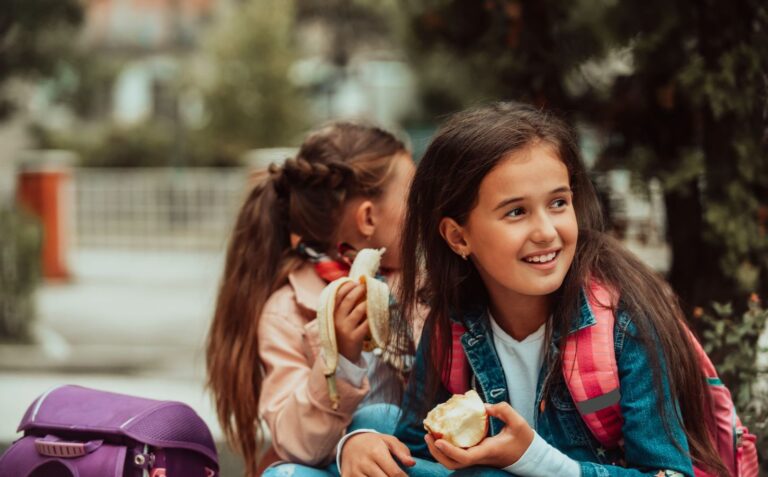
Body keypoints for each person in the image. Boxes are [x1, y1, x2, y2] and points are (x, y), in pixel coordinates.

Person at [339, 103, 730, 477]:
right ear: (458, 237)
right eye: (516, 212)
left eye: (558, 203)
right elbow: (416, 452)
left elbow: (669, 473)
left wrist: (534, 459)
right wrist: (359, 444)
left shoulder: (625, 324)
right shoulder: (451, 329)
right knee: (347, 440)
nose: (546, 232)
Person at [206, 122, 417, 476]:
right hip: (334, 464)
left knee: (380, 417)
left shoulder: (422, 284)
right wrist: (342, 359)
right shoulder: (286, 311)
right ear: (368, 217)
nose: (424, 213)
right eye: (414, 199)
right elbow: (295, 442)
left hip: (416, 458)